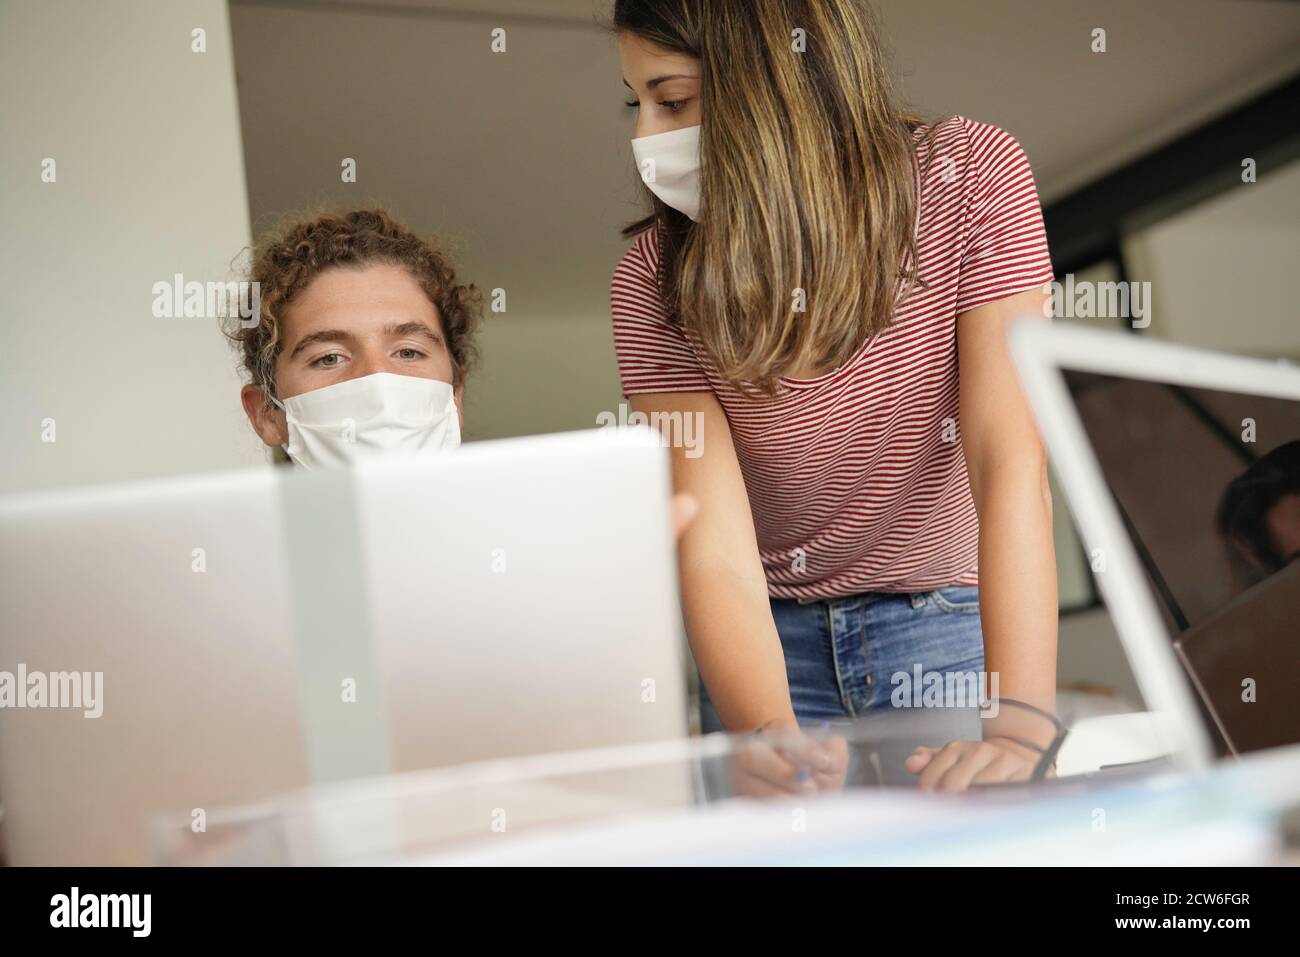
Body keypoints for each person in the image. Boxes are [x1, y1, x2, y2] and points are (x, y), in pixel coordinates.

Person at [609, 0, 1061, 791]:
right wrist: (766, 736)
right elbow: (712, 548)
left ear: (774, 83)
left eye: (672, 100)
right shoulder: (651, 279)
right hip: (762, 640)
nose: (645, 138)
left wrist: (1022, 728)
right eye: (635, 102)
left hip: (943, 615)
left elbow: (1009, 461)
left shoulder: (973, 176)